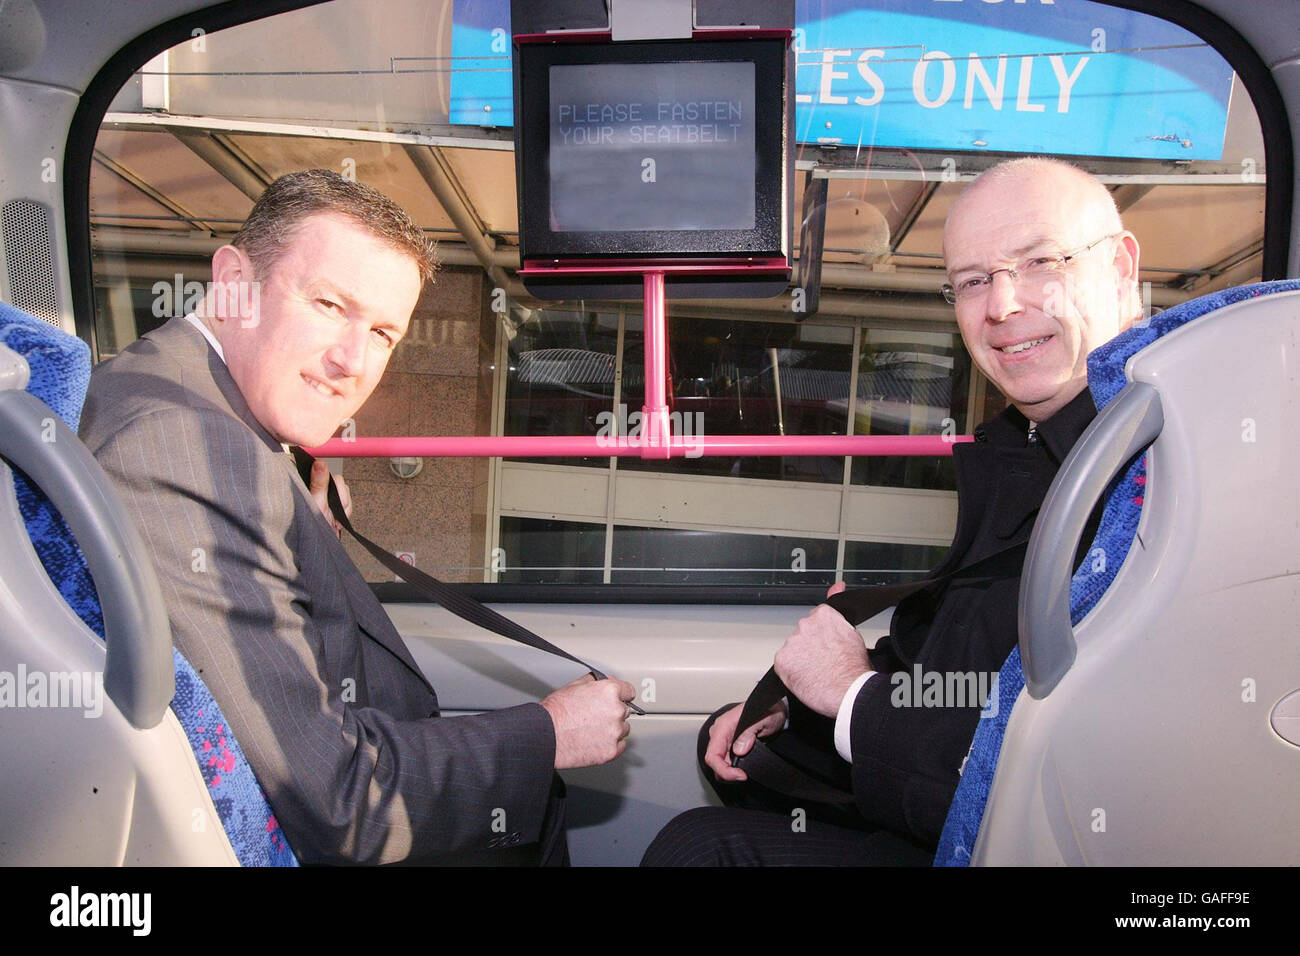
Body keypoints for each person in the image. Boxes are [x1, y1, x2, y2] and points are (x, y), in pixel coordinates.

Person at [80, 169, 636, 865]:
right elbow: (337, 804)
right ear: (231, 282)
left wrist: (298, 526)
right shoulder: (182, 455)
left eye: (381, 332)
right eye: (326, 304)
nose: (351, 362)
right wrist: (548, 733)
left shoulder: (197, 403)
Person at [641, 157, 1143, 865]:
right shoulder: (1022, 456)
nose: (1001, 306)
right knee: (727, 779)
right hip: (949, 815)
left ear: (1120, 265)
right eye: (973, 281)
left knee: (701, 851)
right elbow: (953, 674)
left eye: (1039, 262)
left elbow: (1077, 769)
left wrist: (851, 697)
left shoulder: (1156, 478)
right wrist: (798, 714)